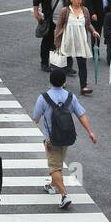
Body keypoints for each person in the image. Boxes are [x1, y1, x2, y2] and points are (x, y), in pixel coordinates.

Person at [32, 68, 98, 209]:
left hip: (51, 140)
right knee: (58, 162)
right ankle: (51, 184)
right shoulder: (70, 97)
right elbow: (81, 115)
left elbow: (36, 118)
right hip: (67, 137)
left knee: (54, 167)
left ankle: (64, 196)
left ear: (50, 80)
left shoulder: (43, 98)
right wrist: (90, 132)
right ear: (64, 81)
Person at [55, 0, 98, 95]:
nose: (79, 0)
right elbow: (59, 26)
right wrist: (57, 42)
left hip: (81, 41)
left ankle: (84, 86)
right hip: (67, 40)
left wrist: (93, 31)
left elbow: (87, 24)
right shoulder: (65, 11)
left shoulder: (85, 10)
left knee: (82, 64)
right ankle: (61, 82)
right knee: (64, 63)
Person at [33, 0, 70, 72]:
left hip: (63, 20)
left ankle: (66, 65)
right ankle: (44, 63)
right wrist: (36, 12)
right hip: (50, 20)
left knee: (64, 43)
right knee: (47, 42)